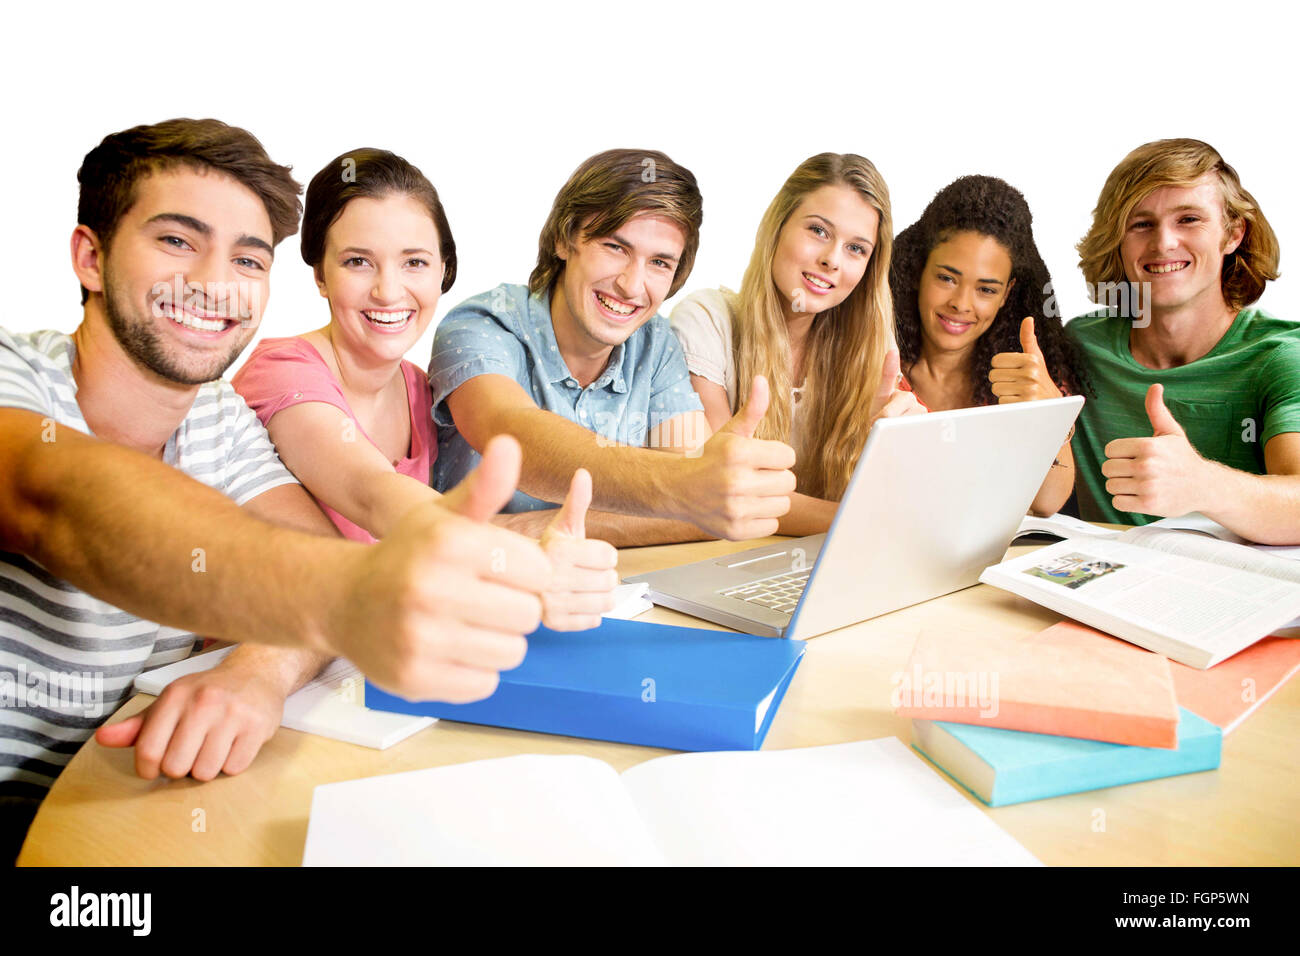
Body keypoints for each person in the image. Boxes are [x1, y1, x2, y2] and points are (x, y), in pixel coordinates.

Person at [0, 120, 553, 859]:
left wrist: (256, 671)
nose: (215, 282)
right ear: (90, 258)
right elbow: (56, 499)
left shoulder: (219, 417)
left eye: (248, 258)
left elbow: (312, 550)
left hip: (121, 800)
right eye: (176, 242)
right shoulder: (16, 378)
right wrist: (348, 597)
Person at [233, 149, 617, 629]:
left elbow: (426, 537)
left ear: (443, 271)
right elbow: (373, 494)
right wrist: (520, 567)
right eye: (358, 262)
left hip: (363, 648)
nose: (389, 291)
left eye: (414, 262)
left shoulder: (420, 390)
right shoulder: (282, 370)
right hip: (263, 653)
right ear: (320, 276)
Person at [429, 148, 797, 547]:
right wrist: (684, 488)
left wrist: (536, 528)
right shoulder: (482, 324)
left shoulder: (656, 345)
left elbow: (701, 512)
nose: (631, 285)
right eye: (615, 247)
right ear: (564, 240)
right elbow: (517, 441)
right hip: (469, 586)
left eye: (659, 263)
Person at [669, 153, 923, 535]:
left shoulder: (871, 347)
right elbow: (730, 491)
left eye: (856, 249)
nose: (832, 260)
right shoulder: (706, 321)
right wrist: (867, 522)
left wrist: (898, 452)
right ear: (777, 226)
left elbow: (898, 498)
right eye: (819, 231)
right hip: (727, 560)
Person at [1070, 138, 1300, 542]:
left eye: (1189, 219)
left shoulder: (1280, 357)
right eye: (1141, 224)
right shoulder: (1080, 347)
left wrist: (1202, 483)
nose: (1163, 243)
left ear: (1232, 234)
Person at [890, 175, 1085, 516]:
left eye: (986, 289)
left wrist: (1047, 414)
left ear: (1007, 293)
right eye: (947, 278)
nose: (962, 304)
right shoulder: (874, 362)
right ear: (919, 270)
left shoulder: (1025, 375)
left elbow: (1046, 503)